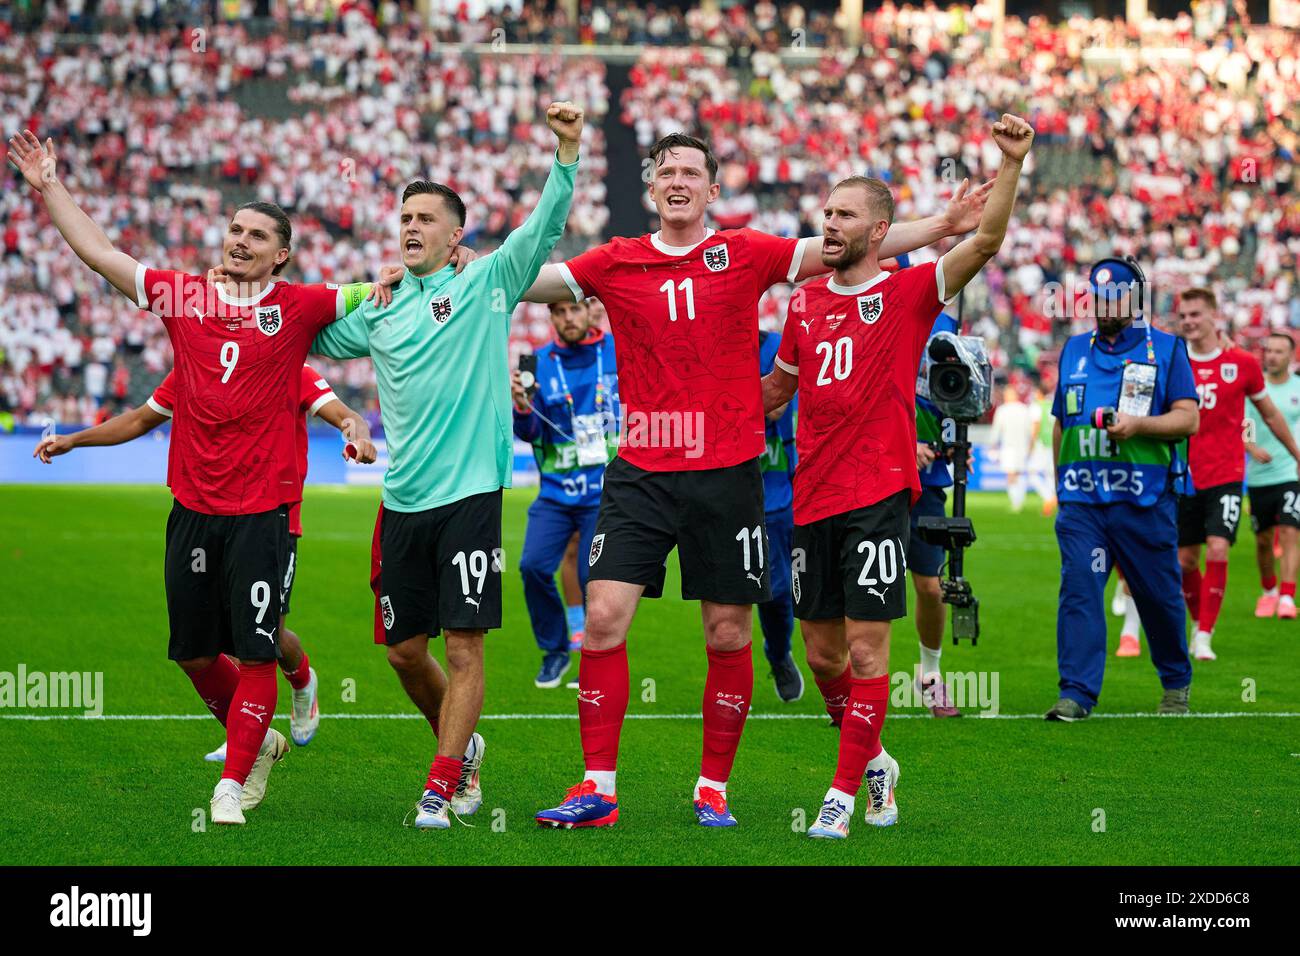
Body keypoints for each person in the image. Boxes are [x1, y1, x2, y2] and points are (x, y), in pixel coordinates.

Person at [522, 131, 992, 830]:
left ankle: (713, 787)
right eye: (665, 172)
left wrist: (944, 226)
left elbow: (842, 249)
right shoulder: (615, 261)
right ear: (652, 188)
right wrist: (464, 267)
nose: (676, 181)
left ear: (713, 190)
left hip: (728, 472)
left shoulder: (744, 252)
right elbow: (526, 281)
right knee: (603, 621)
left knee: (728, 636)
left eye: (691, 172)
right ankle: (598, 786)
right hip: (642, 471)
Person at [8, 128, 379, 825]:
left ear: (282, 254)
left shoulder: (299, 308)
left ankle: (234, 782)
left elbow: (385, 291)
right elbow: (99, 254)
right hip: (194, 510)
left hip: (265, 513)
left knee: (257, 648)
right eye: (234, 228)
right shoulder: (182, 299)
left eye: (257, 235)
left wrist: (357, 425)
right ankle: (255, 740)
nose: (239, 240)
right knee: (193, 653)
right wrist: (50, 185)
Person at [760, 113, 1035, 839]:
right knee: (821, 654)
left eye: (844, 214)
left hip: (880, 495)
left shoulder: (910, 293)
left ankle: (843, 795)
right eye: (826, 213)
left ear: (879, 229)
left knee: (865, 647)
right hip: (810, 497)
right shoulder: (804, 301)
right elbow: (774, 393)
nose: (829, 223)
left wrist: (1010, 165)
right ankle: (875, 758)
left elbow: (985, 240)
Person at [312, 101, 584, 831]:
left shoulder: (487, 282)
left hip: (470, 496)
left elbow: (542, 229)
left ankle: (441, 784)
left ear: (456, 233)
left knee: (464, 646)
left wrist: (566, 151)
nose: (410, 227)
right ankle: (461, 748)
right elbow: (305, 339)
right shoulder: (380, 306)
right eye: (405, 217)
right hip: (401, 499)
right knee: (404, 652)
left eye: (426, 219)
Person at [33, 364, 377, 754]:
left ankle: (301, 683)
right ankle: (245, 734)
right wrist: (74, 440)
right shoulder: (197, 363)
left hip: (273, 522)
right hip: (211, 520)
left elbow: (343, 413)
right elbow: (141, 419)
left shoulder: (289, 364)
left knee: (267, 637)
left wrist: (356, 430)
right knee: (221, 638)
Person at [1045, 257, 1199, 722]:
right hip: (1082, 503)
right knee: (1079, 592)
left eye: (1117, 296)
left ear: (1136, 301)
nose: (1106, 304)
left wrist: (1139, 425)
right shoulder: (1073, 349)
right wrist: (1060, 486)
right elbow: (1060, 423)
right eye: (1099, 296)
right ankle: (1076, 692)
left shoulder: (1167, 350)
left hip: (1144, 499)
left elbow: (1188, 418)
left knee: (1158, 595)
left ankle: (1175, 682)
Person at [1175, 288, 1300, 660]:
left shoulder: (1242, 363)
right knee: (1184, 560)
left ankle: (1205, 636)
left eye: (1196, 314)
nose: (1189, 322)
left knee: (1218, 547)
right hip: (1183, 474)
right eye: (1183, 316)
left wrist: (1296, 453)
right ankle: (1199, 622)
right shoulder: (1173, 360)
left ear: (1215, 315)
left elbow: (1269, 414)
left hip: (1226, 474)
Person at [511, 297, 617, 688]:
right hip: (555, 492)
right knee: (533, 567)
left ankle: (594, 659)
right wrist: (522, 408)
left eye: (574, 309)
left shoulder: (617, 349)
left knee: (595, 576)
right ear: (551, 317)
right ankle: (555, 651)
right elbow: (528, 434)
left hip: (604, 493)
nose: (568, 318)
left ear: (590, 310)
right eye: (559, 312)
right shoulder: (534, 362)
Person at [909, 308, 962, 717]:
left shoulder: (944, 328)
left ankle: (930, 674)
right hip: (867, 477)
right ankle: (850, 684)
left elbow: (956, 394)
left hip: (926, 483)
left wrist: (954, 443)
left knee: (931, 585)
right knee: (858, 584)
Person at [757, 326, 802, 702]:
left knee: (777, 590)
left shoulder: (775, 345)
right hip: (720, 487)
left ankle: (778, 652)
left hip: (775, 487)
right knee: (724, 597)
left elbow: (776, 407)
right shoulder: (705, 341)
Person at [1245, 330, 1300, 619]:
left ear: (1291, 356)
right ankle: (1269, 591)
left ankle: (1288, 596)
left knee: (1291, 531)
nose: (1273, 356)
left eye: (1279, 351)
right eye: (1269, 350)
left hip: (1291, 472)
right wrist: (1251, 447)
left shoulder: (1298, 389)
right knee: (1264, 541)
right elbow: (1245, 424)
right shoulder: (1256, 388)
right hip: (1259, 475)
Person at [990, 384, 1036, 513]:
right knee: (1019, 474)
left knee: (1011, 474)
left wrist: (992, 444)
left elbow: (996, 430)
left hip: (1009, 447)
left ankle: (1016, 502)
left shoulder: (1003, 410)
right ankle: (1019, 500)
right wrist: (1031, 446)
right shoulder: (1024, 409)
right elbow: (1030, 431)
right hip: (1022, 446)